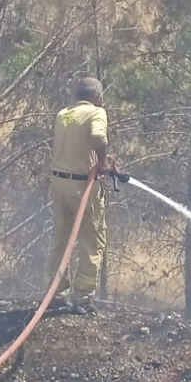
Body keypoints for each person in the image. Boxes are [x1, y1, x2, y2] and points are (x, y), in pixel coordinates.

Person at [47, 77, 118, 315]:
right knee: (92, 240)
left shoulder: (63, 114)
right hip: (81, 187)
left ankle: (56, 294)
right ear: (97, 95)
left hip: (58, 184)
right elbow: (99, 137)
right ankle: (83, 298)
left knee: (60, 240)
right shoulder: (96, 112)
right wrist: (102, 161)